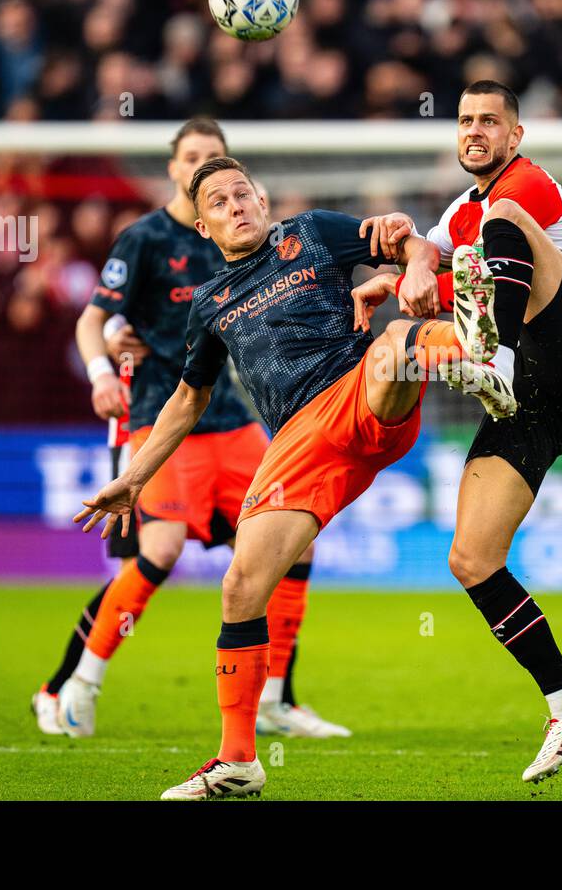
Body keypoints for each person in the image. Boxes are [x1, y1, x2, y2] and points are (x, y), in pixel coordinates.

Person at [74, 156, 506, 799]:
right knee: (241, 587)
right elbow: (188, 401)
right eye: (219, 202)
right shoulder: (210, 305)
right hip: (300, 445)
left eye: (243, 194)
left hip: (358, 394)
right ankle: (238, 759)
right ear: (202, 225)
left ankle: (475, 352)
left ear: (264, 200)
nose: (236, 205)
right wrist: (134, 479)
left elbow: (408, 239)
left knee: (391, 347)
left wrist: (416, 259)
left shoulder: (312, 232)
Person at [34, 119, 348, 741]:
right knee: (160, 550)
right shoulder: (145, 239)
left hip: (226, 416)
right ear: (174, 169)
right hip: (155, 413)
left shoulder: (238, 230)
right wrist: (104, 367)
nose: (207, 169)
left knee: (295, 544)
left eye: (217, 159)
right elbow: (93, 321)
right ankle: (75, 685)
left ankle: (277, 699)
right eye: (194, 158)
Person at [359, 80, 562, 783]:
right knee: (472, 557)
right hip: (541, 401)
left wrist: (416, 279)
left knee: (495, 226)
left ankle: (490, 360)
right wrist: (409, 266)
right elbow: (435, 253)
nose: (475, 131)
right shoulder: (461, 210)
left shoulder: (526, 185)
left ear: (516, 136)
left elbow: (472, 263)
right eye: (465, 121)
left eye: (490, 121)